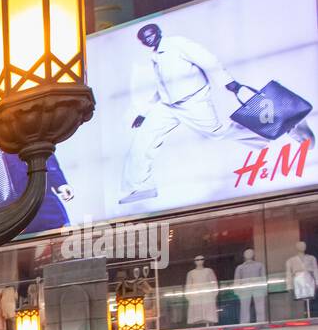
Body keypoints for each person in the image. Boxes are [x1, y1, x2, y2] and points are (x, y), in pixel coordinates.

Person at [119, 23, 315, 205]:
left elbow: (207, 59)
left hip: (193, 101)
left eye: (150, 35)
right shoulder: (156, 56)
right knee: (144, 139)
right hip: (168, 106)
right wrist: (145, 113)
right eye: (144, 38)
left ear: (158, 32)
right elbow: (163, 87)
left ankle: (286, 125)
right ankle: (140, 188)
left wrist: (229, 82)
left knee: (218, 133)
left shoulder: (177, 44)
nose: (148, 40)